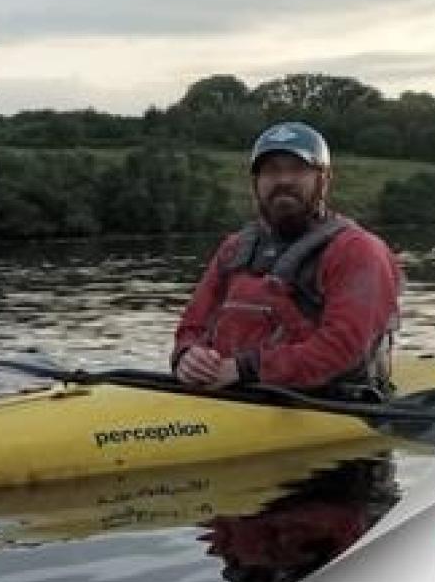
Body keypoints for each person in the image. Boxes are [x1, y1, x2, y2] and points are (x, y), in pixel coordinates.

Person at [172, 121, 402, 399]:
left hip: (328, 401)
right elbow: (192, 326)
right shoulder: (234, 249)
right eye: (271, 171)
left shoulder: (359, 250)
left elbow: (343, 349)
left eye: (298, 169)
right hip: (234, 394)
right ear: (255, 183)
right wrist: (187, 357)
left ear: (324, 179)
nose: (284, 180)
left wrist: (244, 369)